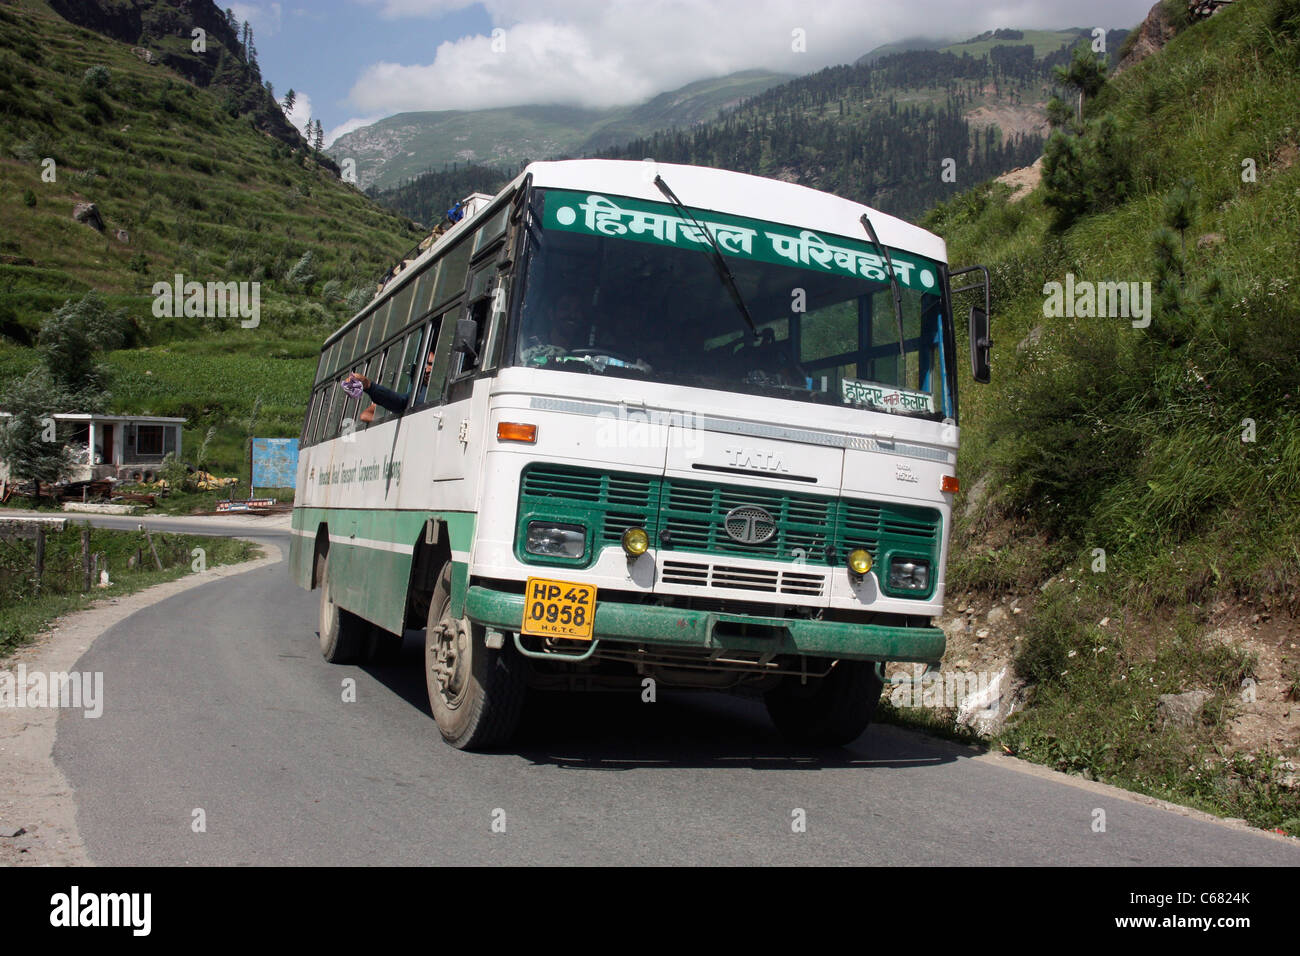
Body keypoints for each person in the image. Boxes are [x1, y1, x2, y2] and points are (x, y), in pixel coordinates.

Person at [347, 349, 435, 424]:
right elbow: (365, 415)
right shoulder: (416, 394)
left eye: (432, 365)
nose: (428, 370)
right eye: (426, 365)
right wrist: (369, 386)